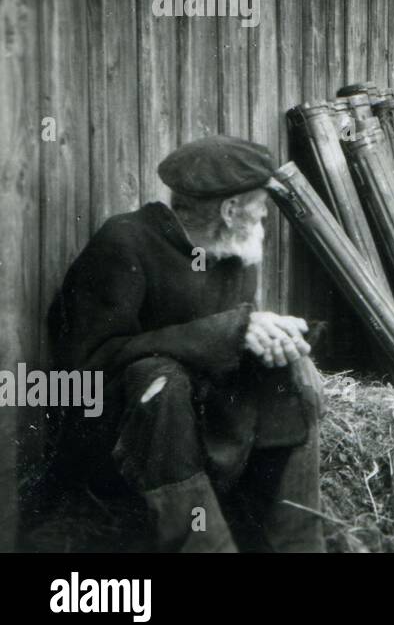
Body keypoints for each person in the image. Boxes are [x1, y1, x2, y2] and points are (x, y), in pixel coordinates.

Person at [46, 136, 324, 552]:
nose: (264, 217)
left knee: (291, 375)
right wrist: (225, 332)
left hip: (204, 429)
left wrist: (277, 343)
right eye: (260, 207)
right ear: (230, 212)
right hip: (123, 441)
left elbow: (226, 341)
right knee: (158, 379)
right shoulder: (124, 243)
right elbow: (85, 369)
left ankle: (297, 546)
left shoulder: (232, 251)